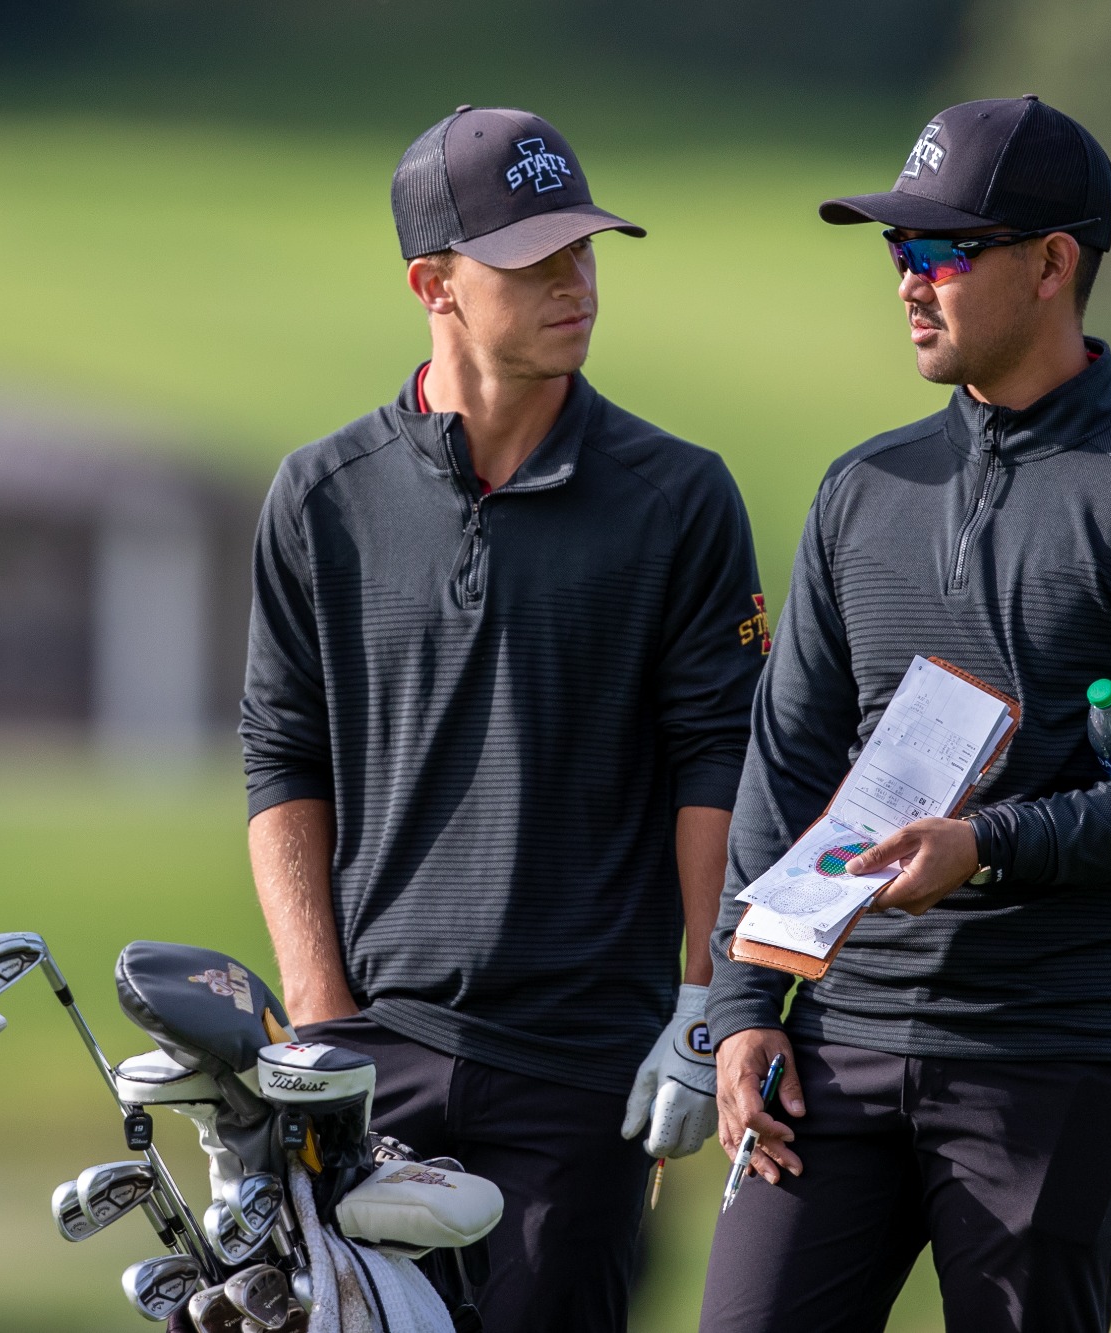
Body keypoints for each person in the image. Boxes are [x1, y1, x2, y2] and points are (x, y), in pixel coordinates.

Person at [700, 96, 1111, 1332]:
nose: (907, 284)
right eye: (894, 255)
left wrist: (989, 846)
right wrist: (743, 1006)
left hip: (1048, 1057)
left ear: (1051, 265)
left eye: (938, 252)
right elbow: (786, 759)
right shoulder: (859, 490)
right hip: (837, 1041)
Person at [240, 105, 767, 1332]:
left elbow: (715, 757)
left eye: (584, 252)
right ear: (433, 284)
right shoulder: (321, 495)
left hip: (584, 1064)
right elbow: (282, 754)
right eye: (534, 264)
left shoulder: (675, 498)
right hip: (380, 1049)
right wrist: (321, 1026)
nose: (575, 285)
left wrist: (703, 1003)